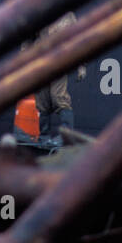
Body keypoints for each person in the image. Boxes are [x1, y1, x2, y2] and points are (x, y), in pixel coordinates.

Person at [30, 12, 80, 146]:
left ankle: (67, 136)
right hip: (41, 61)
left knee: (59, 97)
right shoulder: (39, 14)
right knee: (42, 101)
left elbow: (79, 41)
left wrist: (81, 65)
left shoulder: (68, 16)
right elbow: (28, 39)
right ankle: (43, 136)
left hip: (60, 61)